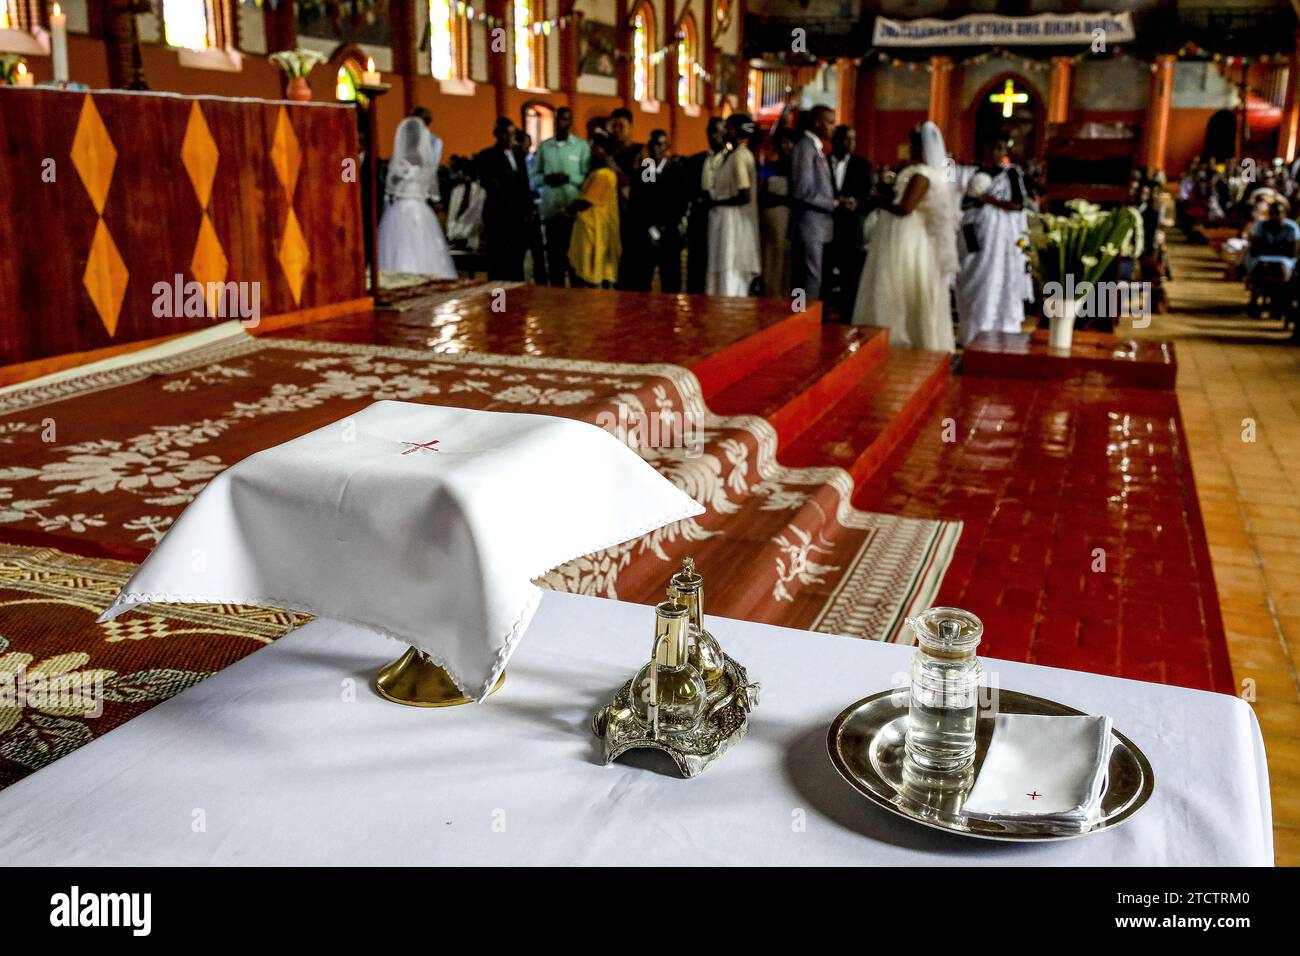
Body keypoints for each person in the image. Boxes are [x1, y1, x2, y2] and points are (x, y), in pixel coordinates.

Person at [851, 123, 957, 352]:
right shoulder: (918, 171)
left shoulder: (923, 175)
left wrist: (877, 201)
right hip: (900, 233)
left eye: (915, 144)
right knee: (892, 283)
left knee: (898, 284)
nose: (910, 148)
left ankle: (903, 336)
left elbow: (906, 207)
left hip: (908, 236)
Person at [954, 137, 1029, 346]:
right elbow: (965, 201)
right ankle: (971, 328)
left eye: (1003, 148)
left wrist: (988, 200)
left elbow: (1018, 204)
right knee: (970, 275)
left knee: (992, 277)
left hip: (997, 236)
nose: (999, 152)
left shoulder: (1011, 173)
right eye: (996, 147)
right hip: (974, 228)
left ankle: (996, 326)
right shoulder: (976, 172)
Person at [376, 115, 456, 278]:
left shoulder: (401, 159)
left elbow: (392, 186)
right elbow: (432, 193)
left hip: (401, 209)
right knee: (419, 247)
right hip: (418, 208)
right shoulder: (425, 160)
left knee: (402, 247)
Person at [623, 129, 689, 292]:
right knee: (643, 280)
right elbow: (640, 201)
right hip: (647, 233)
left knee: (670, 282)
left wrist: (664, 227)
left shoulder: (674, 169)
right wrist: (649, 228)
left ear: (667, 146)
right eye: (653, 144)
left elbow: (679, 202)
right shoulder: (647, 169)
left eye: (660, 144)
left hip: (669, 233)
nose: (656, 148)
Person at [532, 106, 590, 286]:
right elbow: (534, 176)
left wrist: (568, 178)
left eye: (564, 119)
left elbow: (586, 176)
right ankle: (556, 292)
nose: (560, 123)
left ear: (570, 123)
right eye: (557, 119)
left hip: (573, 210)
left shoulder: (581, 146)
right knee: (554, 256)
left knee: (574, 256)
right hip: (551, 209)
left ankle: (576, 292)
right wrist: (547, 179)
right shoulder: (544, 147)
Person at [704, 114, 761, 297]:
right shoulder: (734, 155)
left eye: (727, 128)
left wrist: (716, 201)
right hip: (726, 221)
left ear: (735, 132)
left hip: (733, 223)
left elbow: (743, 195)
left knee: (730, 266)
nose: (723, 133)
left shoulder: (738, 157)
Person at [474, 117, 535, 280]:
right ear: (497, 134)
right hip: (499, 216)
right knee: (498, 264)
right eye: (506, 134)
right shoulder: (486, 156)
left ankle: (515, 301)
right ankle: (498, 304)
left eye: (512, 134)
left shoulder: (519, 156)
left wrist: (528, 209)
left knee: (517, 262)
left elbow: (524, 184)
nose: (510, 138)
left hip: (518, 218)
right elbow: (492, 186)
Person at [827, 124, 875, 320]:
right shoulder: (822, 161)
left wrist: (855, 203)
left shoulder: (862, 165)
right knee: (823, 280)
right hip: (826, 227)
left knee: (851, 282)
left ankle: (848, 323)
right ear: (836, 140)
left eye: (854, 139)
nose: (851, 143)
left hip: (851, 230)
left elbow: (868, 198)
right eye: (847, 139)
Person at [790, 104, 836, 302]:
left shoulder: (815, 148)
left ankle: (802, 320)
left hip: (817, 228)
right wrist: (832, 202)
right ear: (817, 123)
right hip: (809, 227)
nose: (833, 127)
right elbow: (803, 191)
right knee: (807, 280)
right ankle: (800, 321)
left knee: (811, 279)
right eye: (830, 122)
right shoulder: (805, 148)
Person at [567, 130, 621, 288]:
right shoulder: (600, 172)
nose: (591, 151)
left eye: (594, 147)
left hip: (595, 229)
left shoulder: (603, 174)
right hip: (594, 227)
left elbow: (586, 202)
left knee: (594, 275)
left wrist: (565, 210)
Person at [685, 117, 728, 293]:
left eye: (719, 132)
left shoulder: (731, 159)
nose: (715, 136)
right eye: (712, 132)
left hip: (722, 216)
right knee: (696, 260)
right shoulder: (696, 160)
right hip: (699, 217)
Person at [759, 127, 795, 298]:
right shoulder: (769, 165)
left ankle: (786, 297)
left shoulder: (796, 167)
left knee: (786, 259)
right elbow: (761, 193)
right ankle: (770, 295)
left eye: (789, 142)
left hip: (788, 218)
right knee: (771, 258)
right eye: (783, 142)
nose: (786, 146)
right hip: (771, 218)